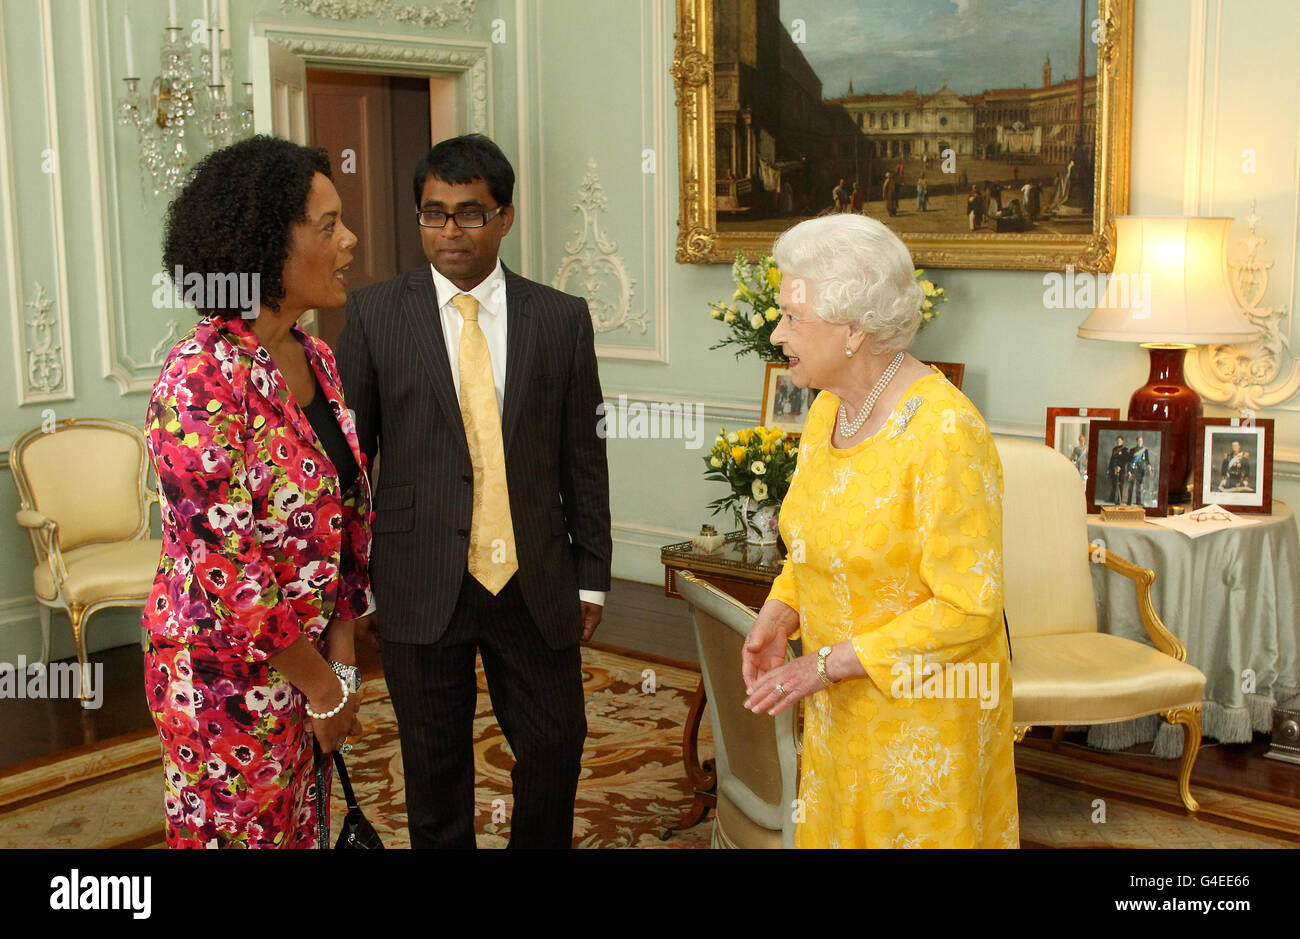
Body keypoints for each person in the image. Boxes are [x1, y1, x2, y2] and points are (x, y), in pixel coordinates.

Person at [337, 134, 611, 849]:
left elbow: (584, 456)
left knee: (554, 750)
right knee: (435, 772)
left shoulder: (560, 318)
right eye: (433, 214)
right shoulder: (373, 315)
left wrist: (593, 579)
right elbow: (347, 466)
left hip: (536, 578)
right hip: (419, 576)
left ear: (505, 217)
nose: (449, 231)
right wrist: (354, 581)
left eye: (468, 213)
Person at [741, 213, 1018, 848]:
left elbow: (969, 608)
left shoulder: (945, 433)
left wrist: (828, 665)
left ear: (854, 329)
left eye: (792, 317)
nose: (777, 331)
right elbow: (814, 539)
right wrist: (781, 610)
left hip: (925, 723)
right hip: (842, 705)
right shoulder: (829, 411)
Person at [142, 136, 371, 848]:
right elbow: (230, 575)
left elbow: (347, 524)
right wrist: (324, 687)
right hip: (222, 683)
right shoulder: (198, 381)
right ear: (267, 244)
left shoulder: (319, 358)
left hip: (308, 669)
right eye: (328, 225)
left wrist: (341, 662)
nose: (350, 241)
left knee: (303, 832)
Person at [1126, 436, 1151, 505]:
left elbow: (1147, 460)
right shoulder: (1132, 450)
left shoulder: (1145, 450)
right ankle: (1129, 501)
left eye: (1141, 441)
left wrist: (1149, 465)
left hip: (1141, 470)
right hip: (1133, 469)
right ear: (1136, 441)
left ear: (1143, 441)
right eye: (1139, 440)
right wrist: (1129, 471)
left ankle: (1138, 502)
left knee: (1139, 487)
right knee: (1131, 486)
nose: (1140, 442)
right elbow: (1129, 461)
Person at [1107, 435, 1130, 504]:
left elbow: (1125, 460)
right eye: (1117, 441)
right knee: (1114, 484)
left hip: (1121, 470)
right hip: (1114, 469)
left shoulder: (1125, 449)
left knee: (1120, 484)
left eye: (1120, 441)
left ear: (1122, 441)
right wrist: (1109, 469)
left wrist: (1120, 467)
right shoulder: (1114, 449)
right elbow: (1112, 460)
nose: (1118, 442)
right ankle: (1112, 499)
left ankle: (1119, 500)